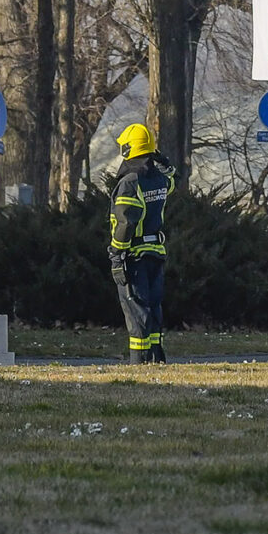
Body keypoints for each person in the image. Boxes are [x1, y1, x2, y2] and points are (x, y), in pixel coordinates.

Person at [108, 124, 173, 364]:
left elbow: (125, 222)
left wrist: (117, 255)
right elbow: (173, 180)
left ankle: (139, 363)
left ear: (129, 148)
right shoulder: (159, 179)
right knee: (153, 308)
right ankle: (156, 359)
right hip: (156, 252)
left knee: (136, 311)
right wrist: (164, 163)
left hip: (133, 256)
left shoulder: (130, 182)